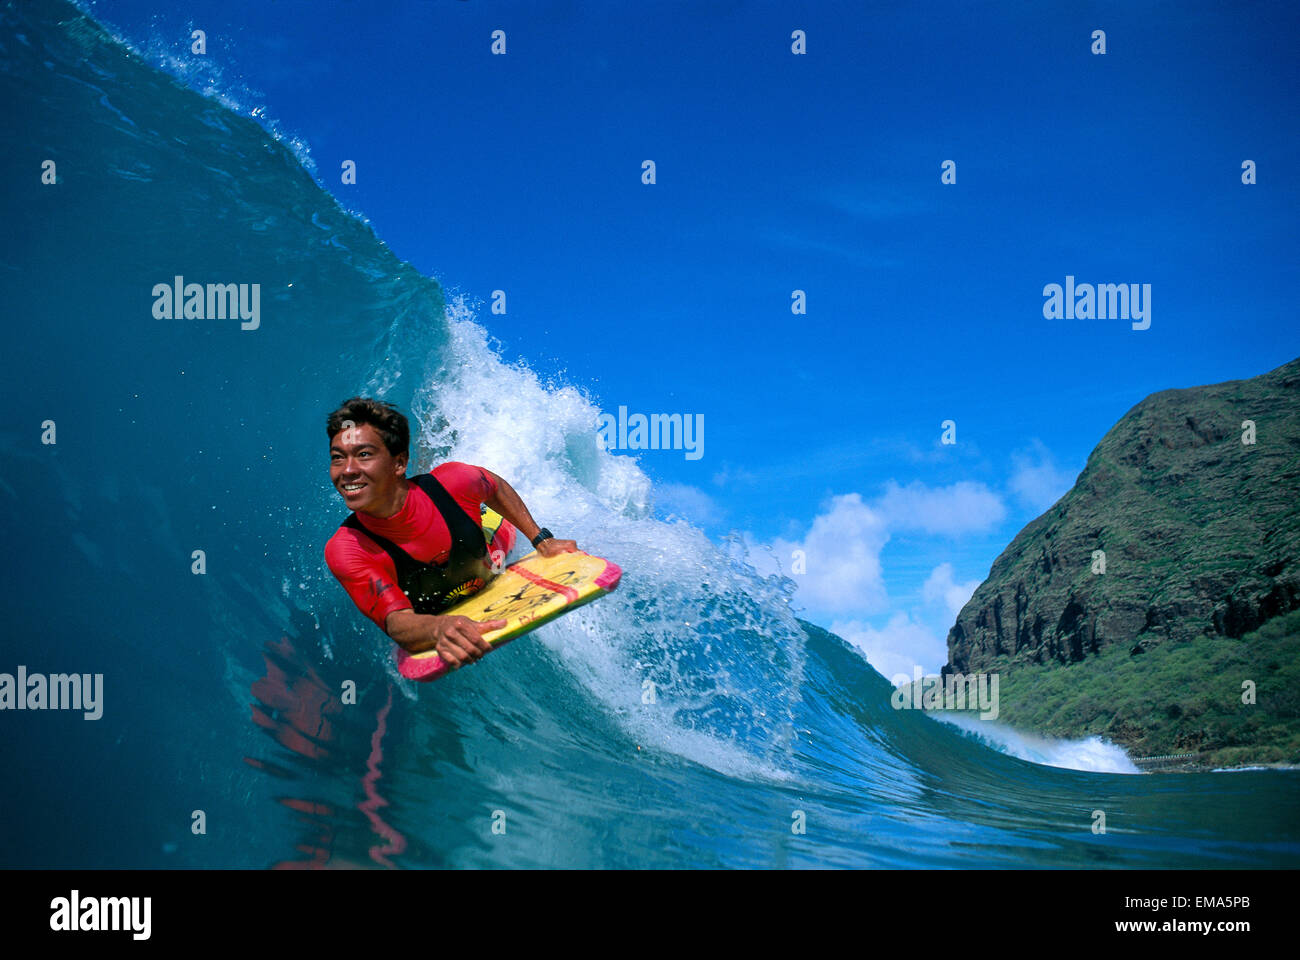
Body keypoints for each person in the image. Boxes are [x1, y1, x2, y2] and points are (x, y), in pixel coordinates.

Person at [324, 397, 577, 670]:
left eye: (363, 455)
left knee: (446, 500)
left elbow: (494, 487)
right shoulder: (348, 549)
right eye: (338, 458)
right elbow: (397, 623)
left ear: (398, 463)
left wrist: (541, 539)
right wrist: (438, 628)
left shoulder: (454, 481)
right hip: (433, 612)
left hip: (490, 545)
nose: (347, 470)